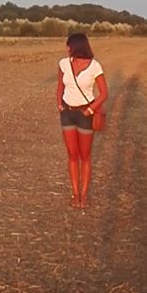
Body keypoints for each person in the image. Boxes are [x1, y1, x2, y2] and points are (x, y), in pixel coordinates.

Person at [57, 32, 108, 210]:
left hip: (85, 115)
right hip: (67, 113)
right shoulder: (64, 64)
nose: (67, 48)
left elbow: (104, 93)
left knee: (85, 156)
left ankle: (84, 196)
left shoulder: (95, 67)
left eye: (68, 45)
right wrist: (59, 105)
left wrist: (90, 110)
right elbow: (60, 86)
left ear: (76, 46)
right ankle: (75, 194)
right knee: (72, 155)